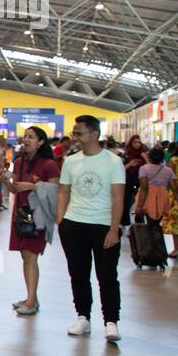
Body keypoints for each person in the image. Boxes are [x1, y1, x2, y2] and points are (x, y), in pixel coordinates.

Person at [56, 115, 125, 343]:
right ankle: (83, 317)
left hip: (103, 227)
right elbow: (64, 191)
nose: (75, 137)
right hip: (74, 225)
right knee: (78, 274)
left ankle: (111, 322)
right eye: (74, 133)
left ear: (94, 135)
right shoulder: (71, 161)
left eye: (79, 133)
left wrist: (114, 230)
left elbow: (118, 198)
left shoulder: (113, 162)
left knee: (106, 276)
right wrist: (61, 220)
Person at [1, 126, 61, 315]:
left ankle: (31, 302)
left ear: (41, 142)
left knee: (30, 257)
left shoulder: (49, 164)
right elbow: (15, 189)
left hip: (38, 216)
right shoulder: (19, 162)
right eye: (25, 136)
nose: (26, 140)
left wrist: (34, 187)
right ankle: (31, 297)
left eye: (31, 137)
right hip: (21, 215)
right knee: (25, 257)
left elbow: (56, 190)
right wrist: (4, 180)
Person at [134, 147, 173, 227]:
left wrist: (139, 206)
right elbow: (175, 189)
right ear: (162, 158)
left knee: (149, 221)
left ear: (149, 157)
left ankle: (150, 236)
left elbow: (144, 188)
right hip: (162, 196)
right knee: (156, 222)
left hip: (147, 197)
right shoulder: (168, 170)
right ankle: (154, 233)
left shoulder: (144, 169)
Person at [122, 134, 148, 229]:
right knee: (127, 200)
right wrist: (130, 164)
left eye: (139, 142)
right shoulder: (126, 154)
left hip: (141, 179)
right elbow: (120, 169)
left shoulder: (143, 153)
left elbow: (150, 166)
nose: (137, 144)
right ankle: (125, 221)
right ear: (131, 143)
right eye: (135, 142)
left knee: (141, 199)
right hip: (129, 178)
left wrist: (144, 157)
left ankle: (140, 219)